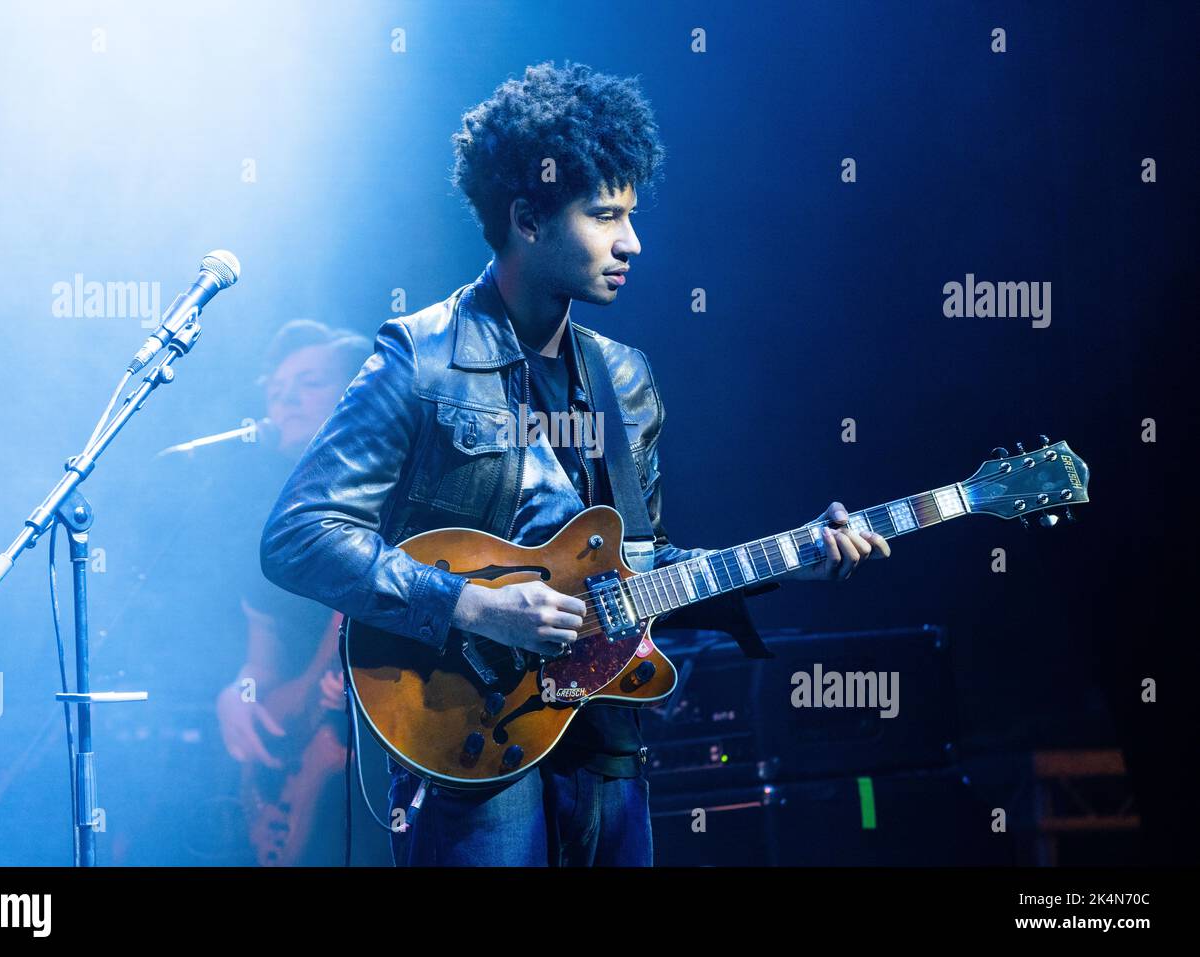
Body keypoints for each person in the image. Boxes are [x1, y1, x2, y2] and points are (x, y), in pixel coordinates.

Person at [259, 62, 889, 866]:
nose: (633, 242)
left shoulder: (624, 378)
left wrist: (792, 561)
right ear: (528, 216)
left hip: (605, 747)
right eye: (604, 216)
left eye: (630, 214)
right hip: (473, 748)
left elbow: (638, 574)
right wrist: (472, 606)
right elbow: (299, 535)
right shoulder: (419, 358)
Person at [214, 320, 369, 865]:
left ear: (356, 392)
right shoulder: (271, 526)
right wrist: (240, 694)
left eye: (308, 383)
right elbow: (262, 663)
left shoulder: (395, 499)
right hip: (308, 755)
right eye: (277, 392)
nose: (286, 401)